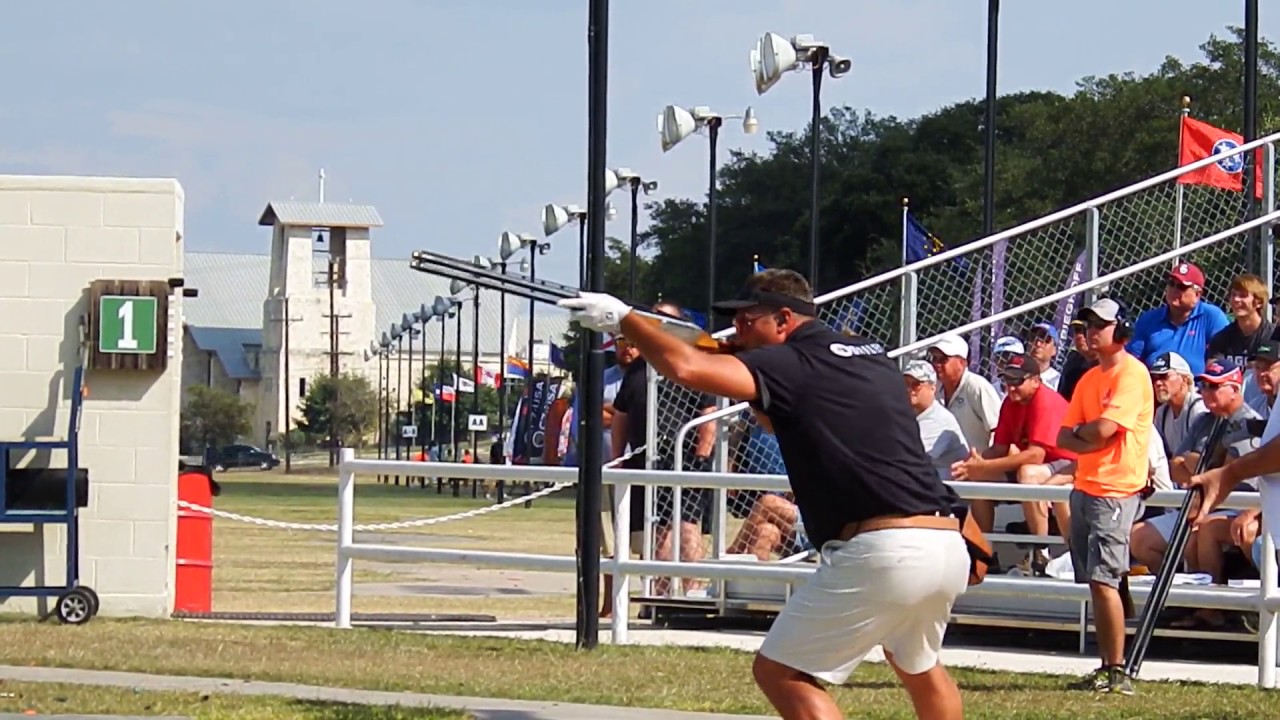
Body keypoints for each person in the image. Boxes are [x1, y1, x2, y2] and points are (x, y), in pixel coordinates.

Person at [560, 269, 970, 720]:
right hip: (944, 539)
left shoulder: (788, 362)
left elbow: (685, 367)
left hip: (884, 549)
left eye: (747, 320)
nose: (737, 330)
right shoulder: (869, 355)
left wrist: (624, 320)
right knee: (919, 666)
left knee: (780, 672)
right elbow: (777, 419)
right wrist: (739, 356)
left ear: (783, 319)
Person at [1053, 298, 1153, 696]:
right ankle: (1109, 665)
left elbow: (1104, 431)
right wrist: (1087, 437)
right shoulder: (1089, 379)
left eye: (1100, 325)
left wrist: (1086, 437)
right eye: (1088, 325)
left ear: (1121, 330)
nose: (1092, 332)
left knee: (1104, 579)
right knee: (1100, 582)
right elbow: (1064, 438)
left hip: (1116, 490)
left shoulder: (1133, 374)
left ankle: (1117, 671)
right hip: (1086, 487)